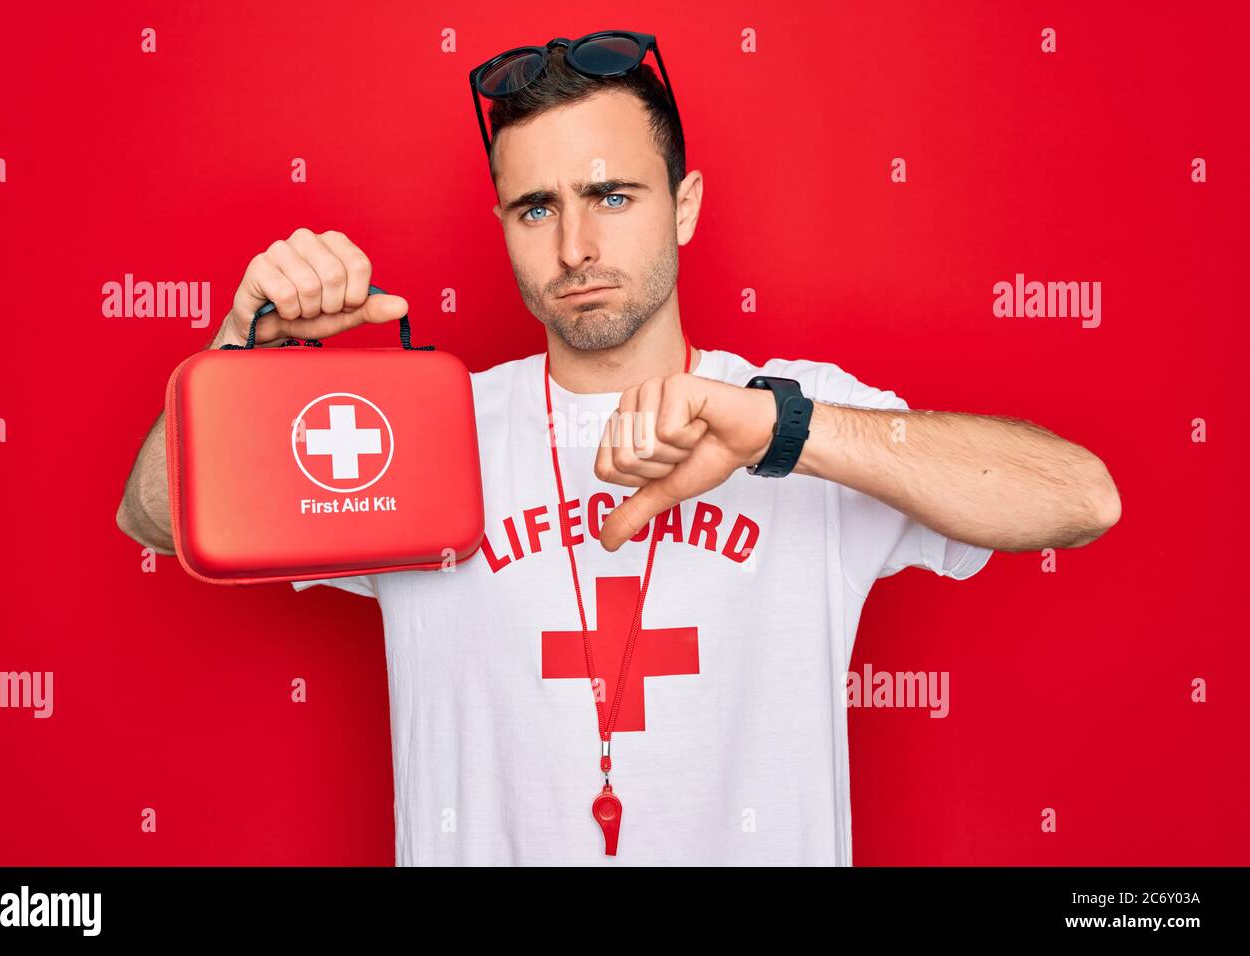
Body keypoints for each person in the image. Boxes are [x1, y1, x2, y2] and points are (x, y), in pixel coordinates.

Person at [115, 31, 1120, 866]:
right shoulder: (424, 427)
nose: (574, 248)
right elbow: (154, 517)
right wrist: (237, 357)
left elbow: (1080, 497)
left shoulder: (800, 411)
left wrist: (787, 429)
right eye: (536, 207)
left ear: (684, 204)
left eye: (612, 195)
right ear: (503, 224)